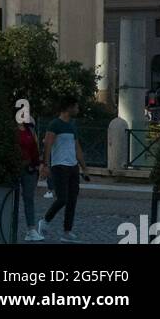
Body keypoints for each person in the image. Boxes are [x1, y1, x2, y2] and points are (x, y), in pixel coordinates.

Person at [38, 97, 88, 242]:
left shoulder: (72, 125)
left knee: (72, 200)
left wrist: (84, 167)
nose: (78, 109)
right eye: (76, 106)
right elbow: (47, 145)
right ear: (68, 108)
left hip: (73, 167)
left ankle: (67, 231)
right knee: (62, 199)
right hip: (59, 166)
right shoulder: (55, 124)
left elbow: (77, 147)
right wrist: (45, 165)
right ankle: (45, 220)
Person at [18, 117, 43, 241]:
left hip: (29, 168)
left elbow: (35, 147)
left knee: (29, 198)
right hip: (15, 167)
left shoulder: (30, 128)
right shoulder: (11, 129)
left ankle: (31, 229)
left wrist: (37, 164)